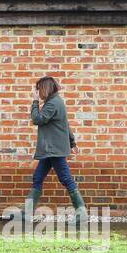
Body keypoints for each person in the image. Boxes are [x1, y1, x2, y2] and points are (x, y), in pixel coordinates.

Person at [26, 76, 86, 220]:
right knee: (38, 177)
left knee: (66, 178)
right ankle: (26, 213)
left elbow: (38, 119)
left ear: (44, 88)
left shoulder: (53, 103)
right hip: (51, 150)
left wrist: (35, 102)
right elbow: (65, 125)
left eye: (38, 89)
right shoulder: (55, 102)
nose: (37, 92)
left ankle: (81, 213)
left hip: (54, 150)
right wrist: (72, 143)